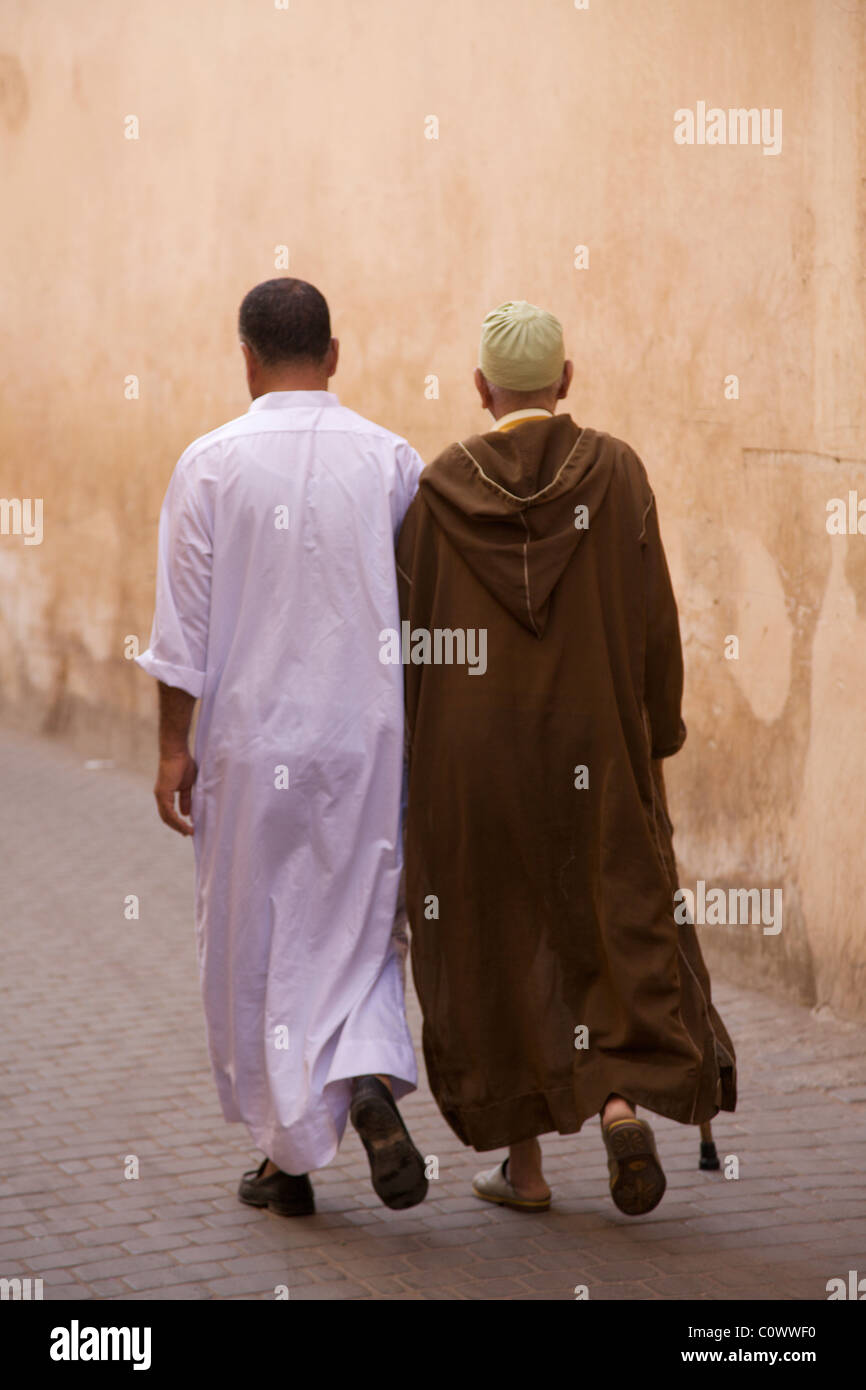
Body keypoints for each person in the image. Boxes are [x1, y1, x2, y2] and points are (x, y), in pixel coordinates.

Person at [396, 300, 736, 1216]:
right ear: (567, 381)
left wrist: (417, 770)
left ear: (479, 389)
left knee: (497, 940)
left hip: (473, 763)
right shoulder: (618, 472)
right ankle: (619, 1103)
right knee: (604, 923)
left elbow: (411, 639)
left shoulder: (434, 494)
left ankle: (527, 1171)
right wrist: (656, 734)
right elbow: (656, 624)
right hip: (594, 743)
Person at [137, 277, 428, 1216]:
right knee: (363, 930)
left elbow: (181, 634)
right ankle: (368, 1076)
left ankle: (289, 1163)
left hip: (251, 750)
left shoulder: (210, 464)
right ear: (334, 354)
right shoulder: (393, 461)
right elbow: (422, 615)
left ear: (248, 359)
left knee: (261, 944)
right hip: (367, 745)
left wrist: (171, 750)